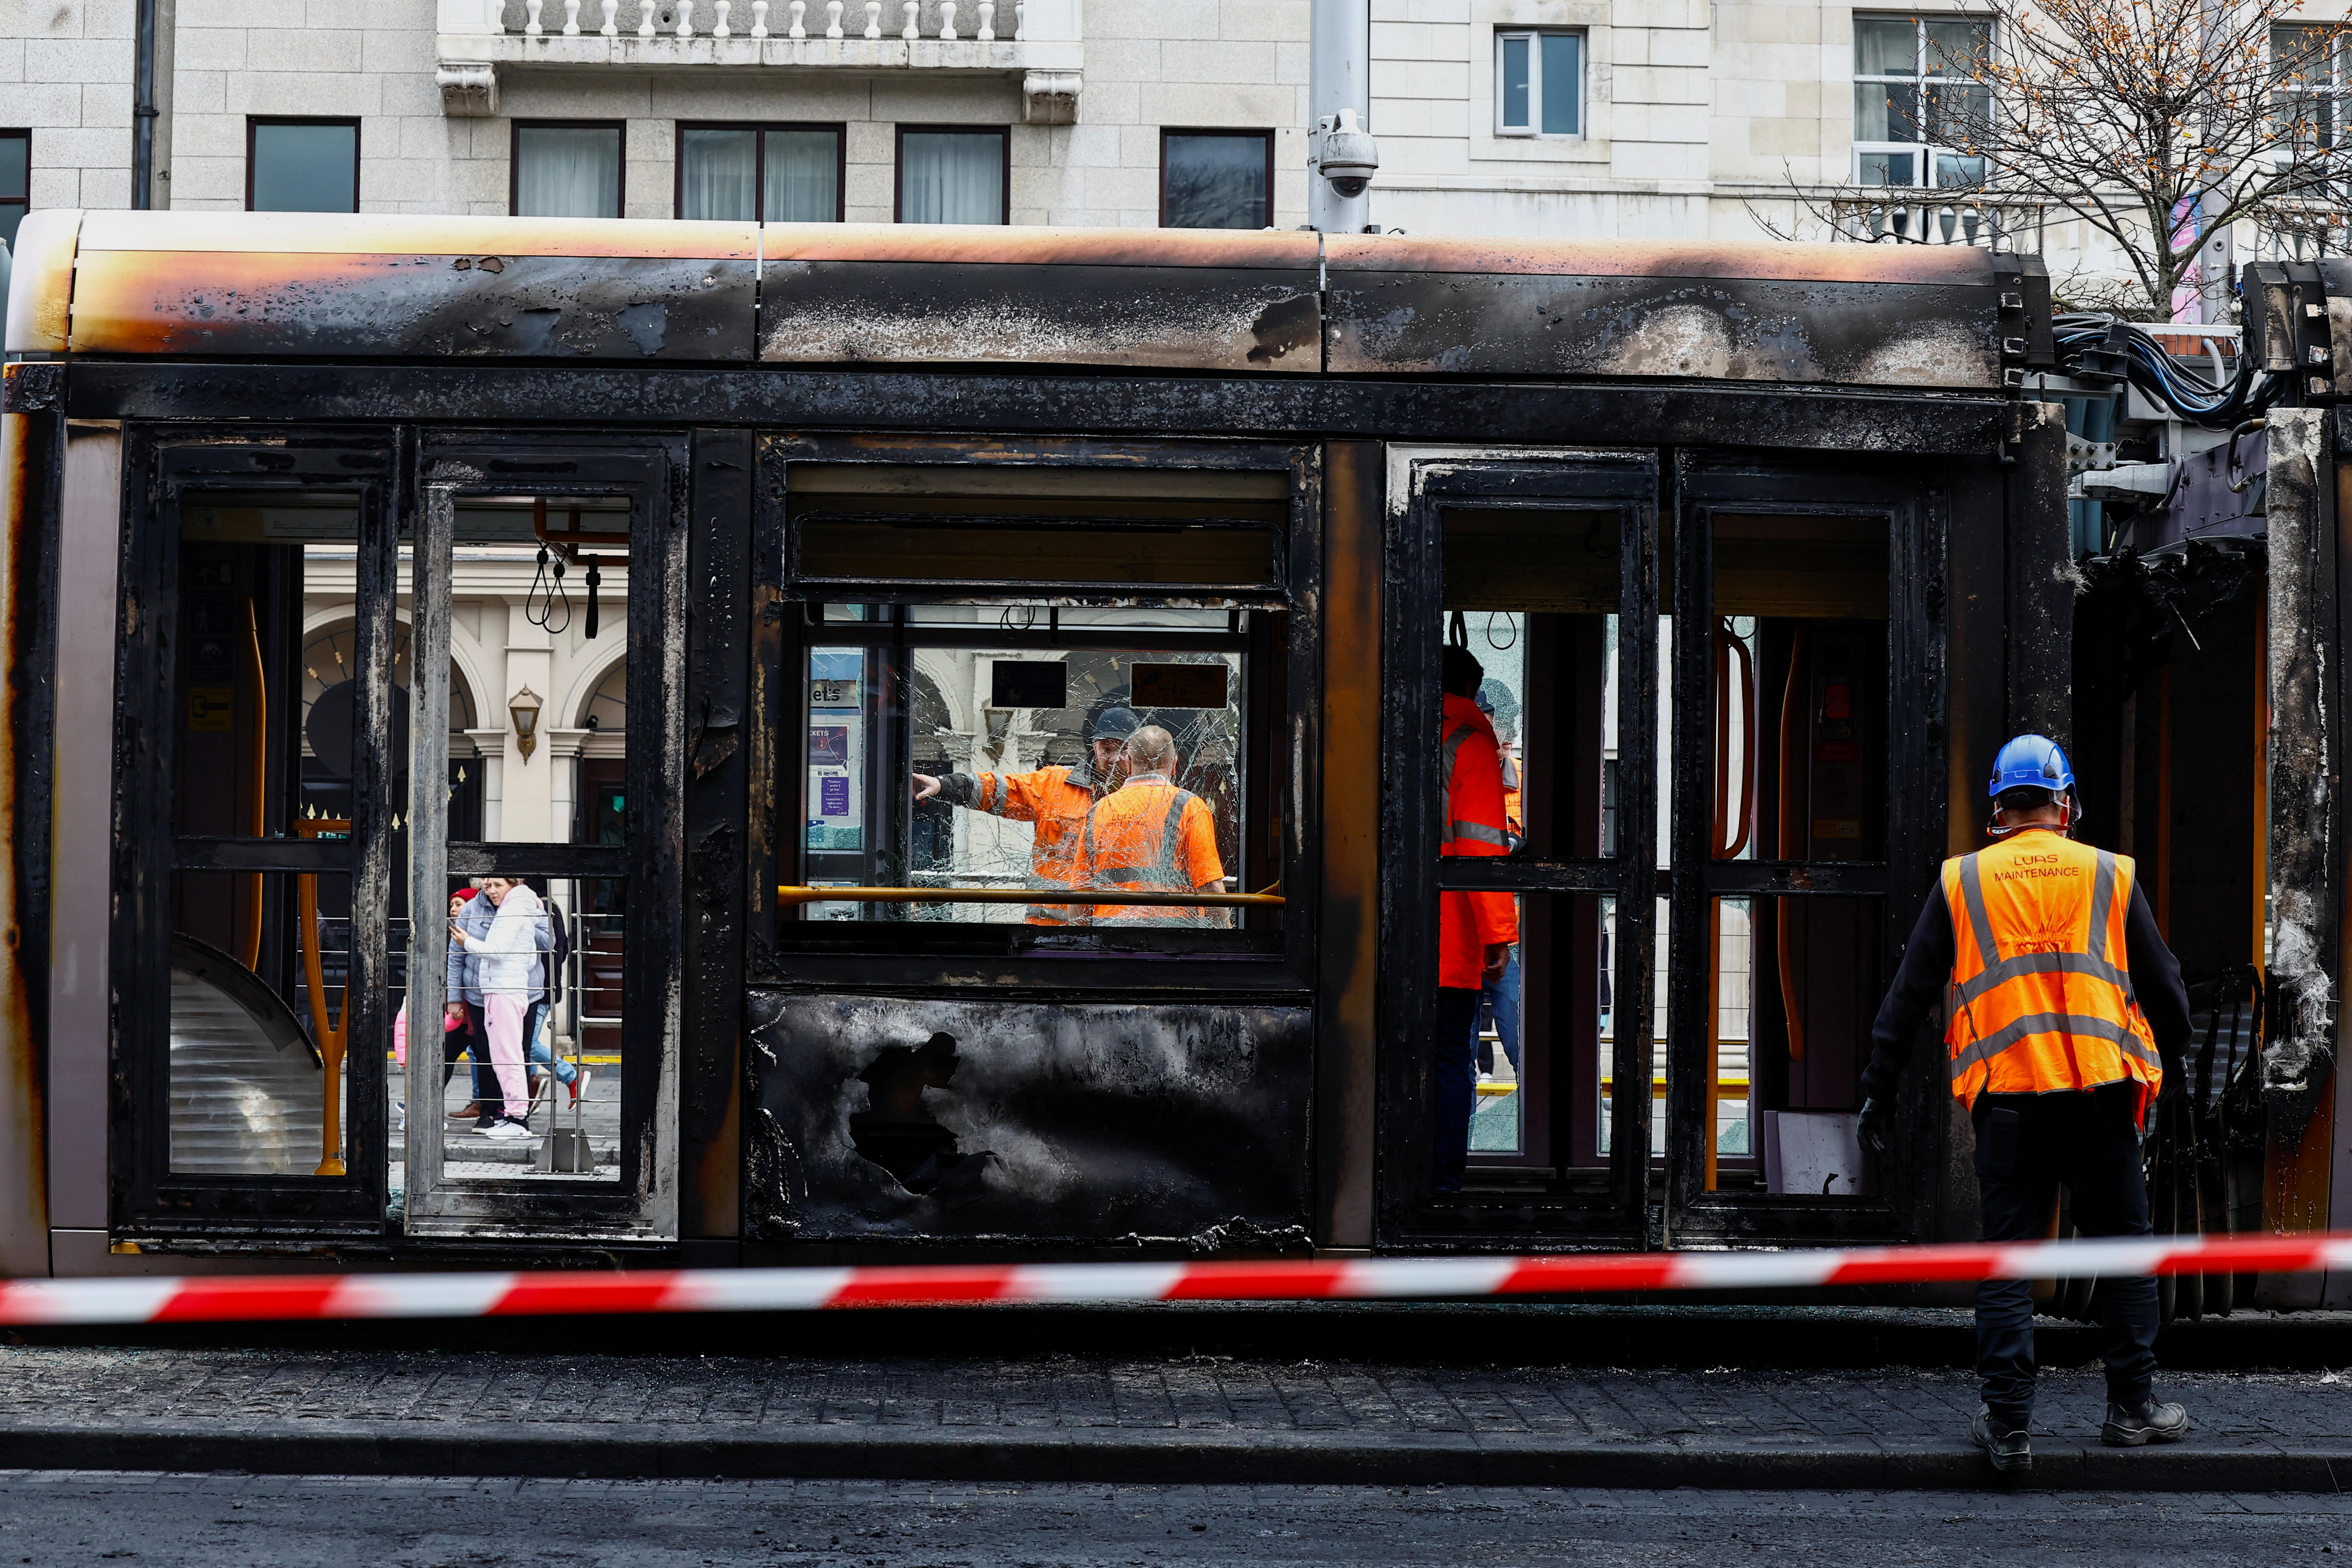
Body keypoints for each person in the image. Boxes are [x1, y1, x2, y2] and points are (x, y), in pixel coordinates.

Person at [1858, 734, 2193, 1473]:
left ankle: (2009, 1427)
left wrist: (1877, 1087)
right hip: (2105, 1098)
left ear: (1997, 810)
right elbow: (2165, 985)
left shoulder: (1963, 881)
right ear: (2065, 803)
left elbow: (1910, 993)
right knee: (2127, 1251)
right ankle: (2132, 1410)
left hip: (2011, 1102)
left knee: (2008, 1262)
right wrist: (2179, 1058)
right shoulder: (2108, 873)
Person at [913, 705, 1142, 924]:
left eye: (1123, 750)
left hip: (1115, 925)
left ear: (1136, 753)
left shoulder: (1149, 799)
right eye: (1107, 750)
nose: (1114, 759)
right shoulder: (1055, 784)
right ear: (1095, 748)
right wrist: (943, 785)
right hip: (1050, 931)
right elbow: (1001, 789)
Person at [1436, 645, 1516, 1191]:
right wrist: (1497, 937)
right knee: (1446, 1059)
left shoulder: (1383, 722)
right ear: (1471, 689)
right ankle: (1438, 1182)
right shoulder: (1471, 738)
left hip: (1375, 933)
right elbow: (1480, 846)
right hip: (1449, 936)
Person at [1071, 724, 1226, 924]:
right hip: (1172, 941)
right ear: (1174, 764)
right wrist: (1224, 943)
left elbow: (1079, 898)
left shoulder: (1098, 810)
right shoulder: (1190, 806)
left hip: (1107, 939)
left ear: (1128, 762)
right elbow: (1211, 887)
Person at [449, 875, 549, 1141]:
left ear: (513, 885)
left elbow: (498, 950)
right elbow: (523, 956)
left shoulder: (515, 910)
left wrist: (467, 942)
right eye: (487, 884)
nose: (491, 890)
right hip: (500, 989)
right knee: (503, 1056)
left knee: (509, 1058)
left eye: (497, 885)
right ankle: (506, 1114)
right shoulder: (518, 906)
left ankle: (516, 1117)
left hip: (505, 990)